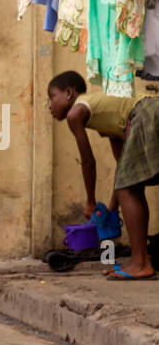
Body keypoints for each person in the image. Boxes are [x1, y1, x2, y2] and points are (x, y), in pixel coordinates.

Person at [48, 70, 158, 280]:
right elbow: (121, 167)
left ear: (69, 93)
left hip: (144, 113)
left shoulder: (75, 114)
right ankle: (140, 259)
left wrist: (90, 202)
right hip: (151, 110)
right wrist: (112, 208)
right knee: (132, 186)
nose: (50, 106)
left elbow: (88, 161)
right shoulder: (104, 113)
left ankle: (141, 263)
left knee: (128, 188)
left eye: (52, 97)